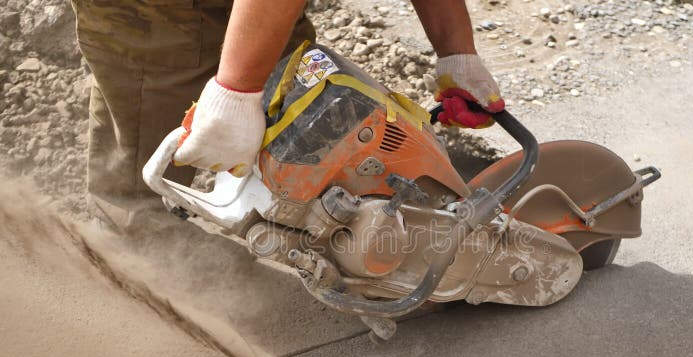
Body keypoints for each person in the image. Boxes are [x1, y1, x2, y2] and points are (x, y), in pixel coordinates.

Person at [72, 0, 504, 229]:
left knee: (293, 98)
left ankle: (288, 228)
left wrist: (457, 54)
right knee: (149, 125)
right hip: (151, 11)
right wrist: (235, 93)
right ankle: (141, 266)